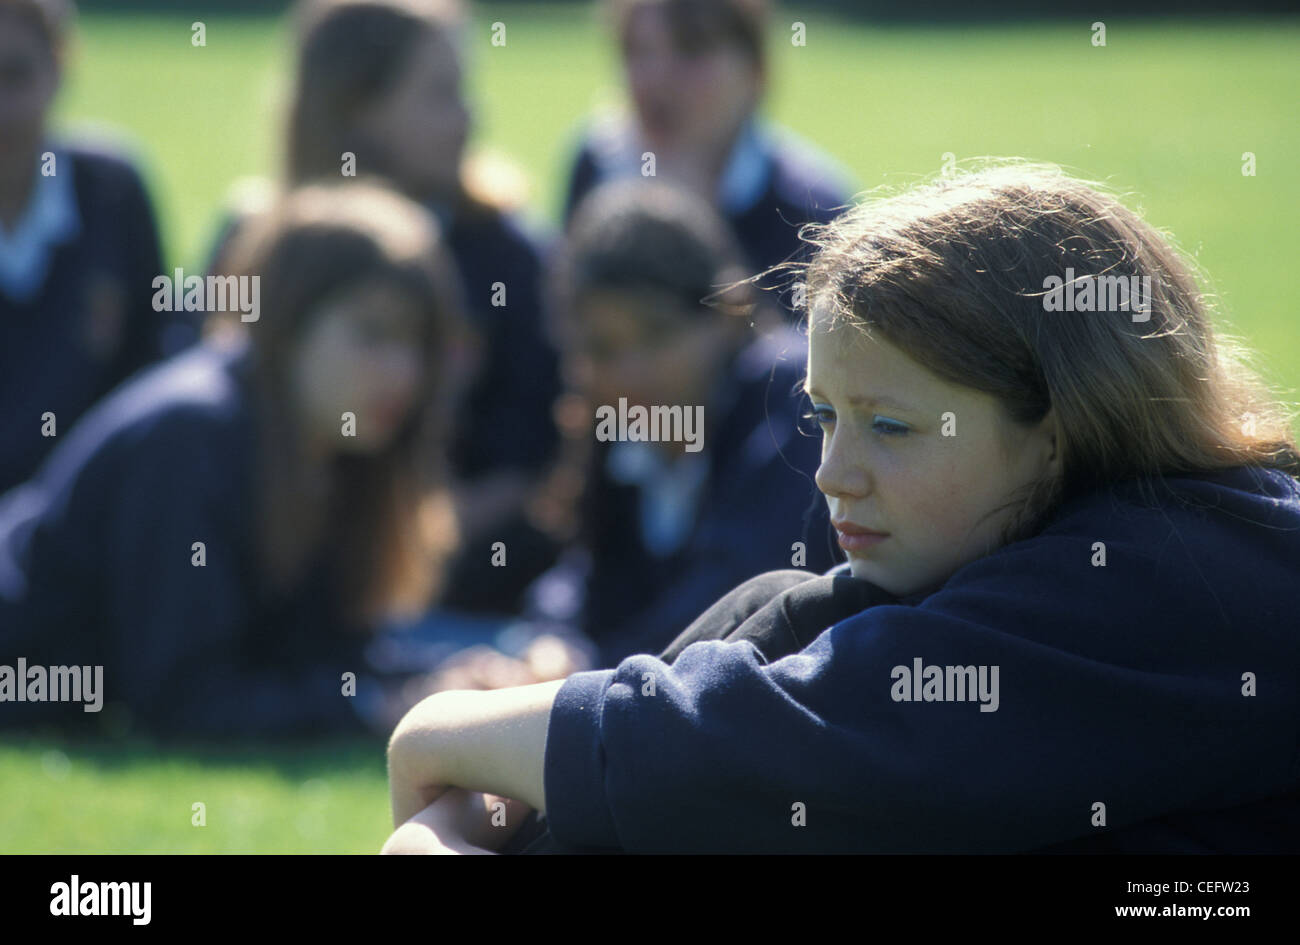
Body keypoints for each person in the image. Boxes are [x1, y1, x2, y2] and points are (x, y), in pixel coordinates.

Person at [382, 162, 1300, 854]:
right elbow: (777, 647)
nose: (832, 474)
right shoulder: (1010, 555)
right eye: (824, 417)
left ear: (1059, 426)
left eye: (891, 426)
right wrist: (458, 819)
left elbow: (799, 740)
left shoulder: (1179, 573)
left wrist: (444, 736)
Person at [0, 183, 462, 739]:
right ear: (288, 327)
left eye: (416, 343)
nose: (402, 372)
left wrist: (453, 685)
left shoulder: (333, 442)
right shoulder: (189, 434)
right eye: (372, 333)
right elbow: (185, 701)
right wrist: (371, 710)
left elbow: (318, 654)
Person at [205, 0, 565, 615]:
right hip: (281, 564)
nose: (470, 116)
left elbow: (537, 450)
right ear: (357, 107)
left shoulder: (504, 251)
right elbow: (217, 418)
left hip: (467, 578)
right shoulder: (258, 243)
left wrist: (407, 535)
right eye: (440, 93)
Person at [524, 178, 837, 667]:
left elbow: (730, 604)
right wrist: (552, 642)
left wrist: (581, 674)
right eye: (601, 349)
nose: (632, 372)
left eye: (657, 335)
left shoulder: (792, 399)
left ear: (730, 314)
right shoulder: (620, 431)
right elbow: (584, 578)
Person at [562, 0, 856, 297]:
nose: (657, 77)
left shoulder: (810, 204)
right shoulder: (596, 163)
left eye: (692, 50)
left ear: (755, 71)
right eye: (638, 51)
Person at [0, 0, 168, 495]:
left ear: (58, 69)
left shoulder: (111, 192)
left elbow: (150, 365)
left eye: (14, 75)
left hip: (84, 524)